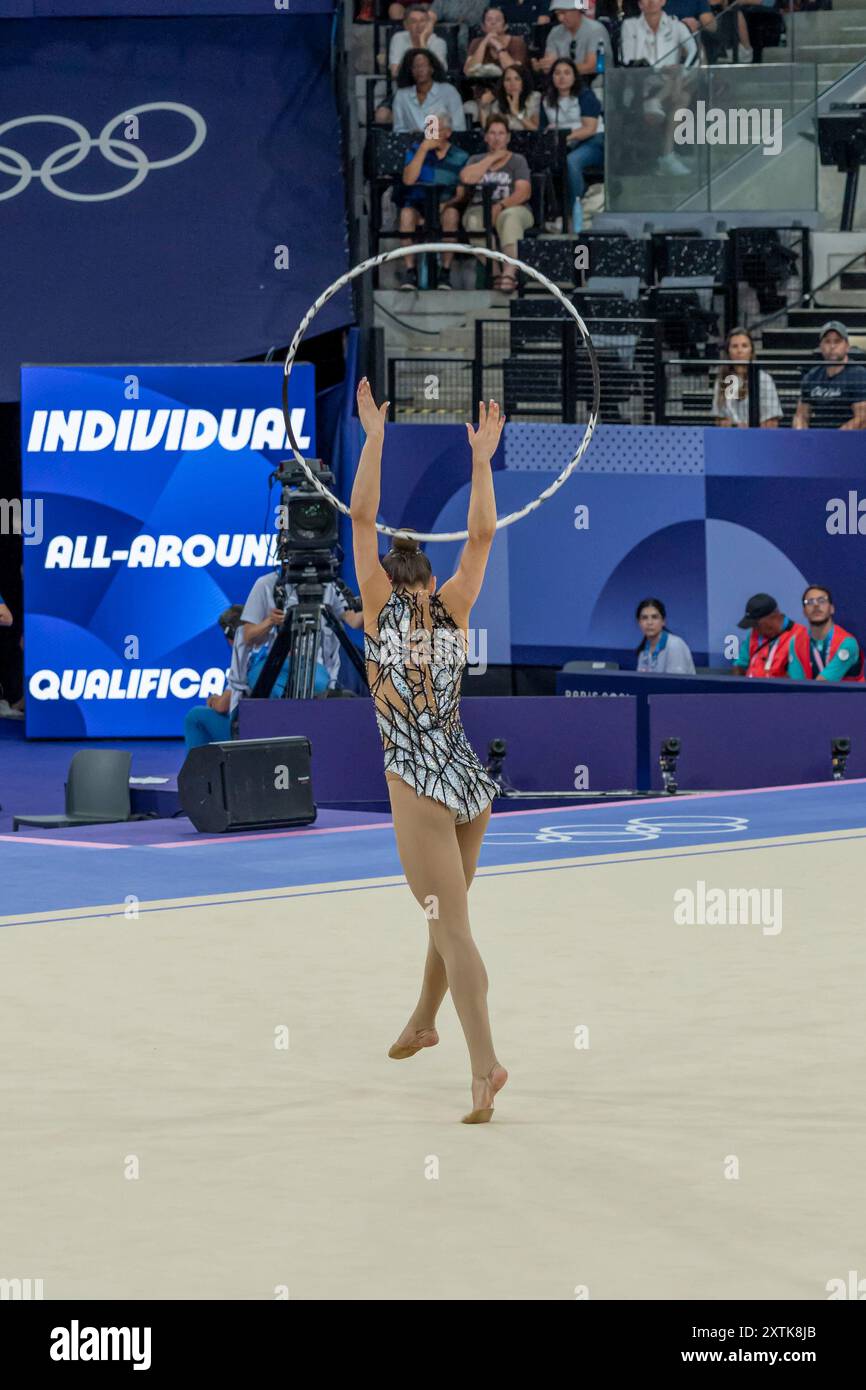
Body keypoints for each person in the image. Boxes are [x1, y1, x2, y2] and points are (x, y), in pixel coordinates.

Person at [350, 376, 508, 1124]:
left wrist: (377, 438)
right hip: (468, 782)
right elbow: (481, 535)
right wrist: (480, 462)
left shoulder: (379, 612)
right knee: (447, 916)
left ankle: (486, 1067)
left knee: (452, 925)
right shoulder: (453, 608)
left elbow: (362, 515)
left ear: (388, 579)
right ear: (433, 579)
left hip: (418, 782)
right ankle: (423, 1018)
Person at [240, 568, 364, 699]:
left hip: (318, 673)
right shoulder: (267, 584)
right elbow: (248, 636)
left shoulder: (330, 585)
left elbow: (355, 621)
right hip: (278, 669)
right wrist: (269, 622)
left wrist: (374, 595)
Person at [393, 111, 469, 291]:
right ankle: (411, 271)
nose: (431, 133)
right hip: (418, 204)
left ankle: (445, 272)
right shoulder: (415, 150)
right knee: (405, 215)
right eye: (428, 129)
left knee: (451, 215)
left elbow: (461, 194)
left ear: (447, 133)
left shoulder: (460, 156)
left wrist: (445, 205)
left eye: (436, 129)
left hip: (446, 204)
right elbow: (408, 180)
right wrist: (423, 150)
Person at [458, 113, 534, 291]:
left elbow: (524, 192)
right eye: (492, 133)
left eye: (501, 133)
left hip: (514, 207)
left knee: (510, 219)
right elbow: (466, 178)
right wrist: (492, 158)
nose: (496, 138)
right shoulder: (476, 160)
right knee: (474, 222)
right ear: (485, 137)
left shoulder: (518, 160)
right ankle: (495, 273)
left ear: (508, 137)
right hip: (478, 209)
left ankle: (509, 272)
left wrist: (500, 206)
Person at [540, 57, 603, 233]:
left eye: (567, 73)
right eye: (557, 73)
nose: (561, 77)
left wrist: (564, 137)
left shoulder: (585, 96)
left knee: (572, 162)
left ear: (574, 76)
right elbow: (543, 128)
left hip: (593, 141)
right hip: (563, 143)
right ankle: (552, 214)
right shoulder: (546, 100)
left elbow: (589, 128)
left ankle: (576, 210)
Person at [184, 604, 245, 750]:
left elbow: (222, 706)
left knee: (195, 716)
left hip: (246, 731)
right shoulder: (265, 648)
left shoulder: (243, 656)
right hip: (267, 722)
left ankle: (198, 772)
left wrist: (214, 701)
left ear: (231, 636)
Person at [793, 323, 866, 431]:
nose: (832, 346)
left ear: (847, 346)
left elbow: (862, 418)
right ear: (821, 347)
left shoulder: (859, 375)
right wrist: (803, 434)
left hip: (850, 440)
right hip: (818, 437)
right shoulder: (812, 376)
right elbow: (801, 416)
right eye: (827, 341)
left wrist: (834, 438)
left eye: (837, 341)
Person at [789, 586, 864, 683]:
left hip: (850, 697)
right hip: (809, 696)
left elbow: (825, 683)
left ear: (832, 609)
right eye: (810, 602)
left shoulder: (847, 643)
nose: (816, 605)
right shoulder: (795, 642)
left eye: (821, 600)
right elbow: (796, 684)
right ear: (804, 612)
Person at [711, 326, 782, 428]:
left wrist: (748, 429)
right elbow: (719, 419)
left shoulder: (764, 379)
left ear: (751, 351)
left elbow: (772, 421)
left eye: (744, 346)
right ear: (728, 352)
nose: (739, 351)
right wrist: (733, 425)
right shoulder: (723, 379)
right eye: (735, 346)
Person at [533, 0, 613, 86]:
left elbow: (594, 66)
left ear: (577, 10)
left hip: (597, 86)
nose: (560, 18)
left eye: (564, 13)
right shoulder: (555, 33)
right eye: (558, 14)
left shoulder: (596, 30)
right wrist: (544, 66)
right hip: (563, 87)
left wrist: (560, 69)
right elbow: (550, 61)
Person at [389, 48, 468, 133]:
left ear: (432, 68)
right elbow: (398, 129)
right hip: (412, 144)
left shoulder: (449, 91)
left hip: (442, 142)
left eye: (423, 65)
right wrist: (412, 134)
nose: (420, 70)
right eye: (415, 67)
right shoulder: (402, 95)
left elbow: (459, 128)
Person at [731, 592, 807, 679]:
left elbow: (796, 679)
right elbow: (739, 665)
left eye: (756, 624)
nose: (754, 629)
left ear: (773, 617)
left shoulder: (799, 636)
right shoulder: (753, 634)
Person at [635, 597, 696, 673]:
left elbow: (675, 682)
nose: (649, 622)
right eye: (644, 618)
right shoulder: (643, 651)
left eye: (654, 617)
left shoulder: (674, 645)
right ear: (639, 623)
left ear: (663, 621)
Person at [388, 4, 448, 77]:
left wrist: (422, 41)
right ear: (406, 25)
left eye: (422, 21)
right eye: (413, 21)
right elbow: (395, 72)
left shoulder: (439, 43)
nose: (419, 25)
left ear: (428, 24)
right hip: (404, 85)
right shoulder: (398, 38)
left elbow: (438, 73)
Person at [484, 63, 541, 130]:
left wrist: (516, 113)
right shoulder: (497, 104)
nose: (512, 84)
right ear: (503, 84)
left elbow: (535, 129)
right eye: (508, 80)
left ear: (524, 82)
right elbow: (490, 132)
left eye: (517, 79)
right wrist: (483, 107)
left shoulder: (534, 98)